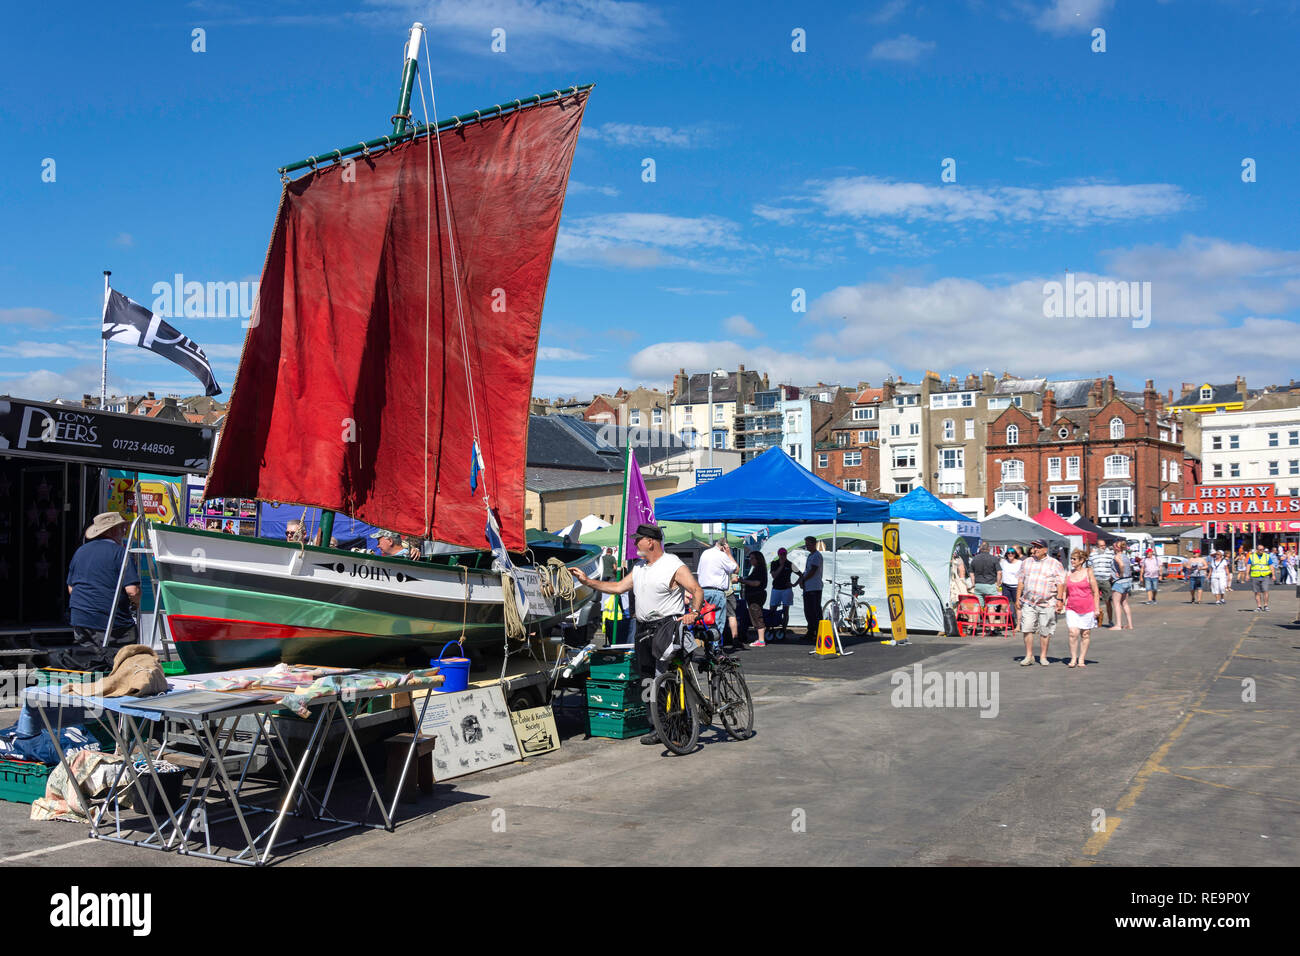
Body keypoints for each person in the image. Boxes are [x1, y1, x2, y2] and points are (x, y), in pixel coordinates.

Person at [572, 523, 703, 745]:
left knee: (665, 676)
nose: (635, 544)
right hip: (643, 629)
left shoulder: (672, 565)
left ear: (650, 541)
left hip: (666, 625)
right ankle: (657, 726)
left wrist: (695, 612)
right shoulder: (640, 568)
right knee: (647, 681)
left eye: (638, 539)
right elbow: (617, 588)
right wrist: (587, 581)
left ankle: (680, 724)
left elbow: (696, 590)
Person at [67, 512, 141, 648]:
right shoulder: (120, 553)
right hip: (111, 622)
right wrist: (135, 604)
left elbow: (71, 588)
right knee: (122, 660)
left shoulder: (80, 551)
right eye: (121, 528)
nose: (124, 532)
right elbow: (133, 592)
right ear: (112, 531)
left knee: (92, 660)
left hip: (80, 619)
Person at [1016, 539, 1066, 666]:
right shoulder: (1027, 562)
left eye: (1038, 547)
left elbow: (1061, 583)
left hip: (1047, 603)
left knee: (1045, 630)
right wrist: (1017, 598)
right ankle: (1029, 655)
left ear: (1045, 550)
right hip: (1028, 601)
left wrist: (1060, 600)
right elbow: (1021, 581)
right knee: (1027, 628)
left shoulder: (1054, 563)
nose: (1035, 549)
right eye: (1034, 547)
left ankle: (1043, 656)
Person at [696, 537, 737, 649]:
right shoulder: (722, 555)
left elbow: (699, 572)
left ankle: (707, 644)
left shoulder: (705, 553)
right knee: (718, 621)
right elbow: (735, 568)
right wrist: (729, 554)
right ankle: (715, 647)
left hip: (703, 590)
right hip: (716, 591)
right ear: (725, 547)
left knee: (705, 620)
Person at [1064, 549, 1101, 668]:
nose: (1072, 561)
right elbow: (1065, 591)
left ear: (1082, 560)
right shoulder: (1069, 573)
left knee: (1085, 633)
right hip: (1072, 607)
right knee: (1073, 632)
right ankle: (1073, 658)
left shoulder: (1089, 572)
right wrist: (1062, 603)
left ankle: (1081, 658)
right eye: (1071, 558)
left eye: (1074, 559)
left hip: (1087, 607)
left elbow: (1095, 592)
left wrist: (1097, 608)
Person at [794, 536, 823, 643]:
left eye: (808, 544)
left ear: (813, 543)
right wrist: (801, 581)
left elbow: (812, 571)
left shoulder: (817, 556)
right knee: (808, 610)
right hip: (809, 587)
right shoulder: (810, 555)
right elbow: (807, 571)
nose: (806, 546)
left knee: (815, 610)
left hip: (814, 587)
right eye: (806, 544)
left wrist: (803, 580)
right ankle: (811, 631)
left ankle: (817, 632)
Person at [740, 550, 769, 647]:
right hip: (754, 596)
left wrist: (743, 581)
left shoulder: (759, 570)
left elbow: (757, 583)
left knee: (757, 616)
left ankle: (761, 640)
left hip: (756, 596)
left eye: (752, 558)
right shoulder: (757, 569)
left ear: (758, 559)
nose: (750, 560)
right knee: (754, 616)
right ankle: (760, 639)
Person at [768, 548, 795, 640]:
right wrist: (781, 565)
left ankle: (783, 630)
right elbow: (774, 575)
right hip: (776, 589)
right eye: (781, 554)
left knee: (785, 611)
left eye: (784, 554)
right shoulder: (774, 563)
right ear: (778, 555)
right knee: (772, 609)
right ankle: (770, 628)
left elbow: (801, 574)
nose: (783, 556)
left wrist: (794, 584)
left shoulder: (790, 564)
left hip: (786, 589)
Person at [1086, 541, 1115, 627]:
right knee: (1094, 601)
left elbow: (1113, 565)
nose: (1103, 547)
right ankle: (1094, 620)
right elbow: (1090, 566)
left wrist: (1112, 576)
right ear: (1097, 546)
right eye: (1101, 546)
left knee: (1108, 601)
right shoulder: (1093, 555)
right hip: (1095, 580)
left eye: (1104, 545)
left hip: (1106, 579)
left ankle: (1110, 620)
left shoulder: (1110, 554)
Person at [1109, 539, 1134, 629]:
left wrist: (1121, 574)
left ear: (1116, 547)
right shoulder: (1125, 556)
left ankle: (1118, 625)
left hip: (1119, 582)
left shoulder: (1117, 556)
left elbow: (1121, 565)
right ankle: (1130, 624)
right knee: (1125, 603)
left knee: (1116, 604)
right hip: (1127, 581)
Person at [969, 542, 1001, 607]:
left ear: (980, 548)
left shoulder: (974, 559)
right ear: (989, 548)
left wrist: (973, 584)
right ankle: (989, 616)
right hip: (990, 585)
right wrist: (998, 584)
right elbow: (999, 572)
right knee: (991, 606)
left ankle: (976, 617)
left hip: (978, 585)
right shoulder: (994, 559)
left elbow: (971, 573)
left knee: (977, 606)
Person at [999, 547, 1022, 626]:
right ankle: (1001, 624)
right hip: (1005, 586)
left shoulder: (1020, 563)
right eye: (1009, 553)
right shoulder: (1003, 562)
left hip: (1016, 586)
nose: (1010, 554)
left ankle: (1018, 625)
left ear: (1015, 554)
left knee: (1017, 606)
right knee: (1003, 606)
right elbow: (1000, 573)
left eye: (1012, 553)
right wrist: (998, 583)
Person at [1248, 543, 1274, 611]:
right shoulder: (1252, 556)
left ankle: (1266, 605)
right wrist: (1247, 574)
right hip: (1255, 576)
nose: (1261, 551)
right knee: (1257, 592)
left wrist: (1273, 575)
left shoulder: (1267, 556)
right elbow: (1248, 566)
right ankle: (1259, 606)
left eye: (1263, 549)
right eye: (1260, 550)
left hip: (1265, 576)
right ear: (1257, 550)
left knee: (1265, 591)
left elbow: (1271, 566)